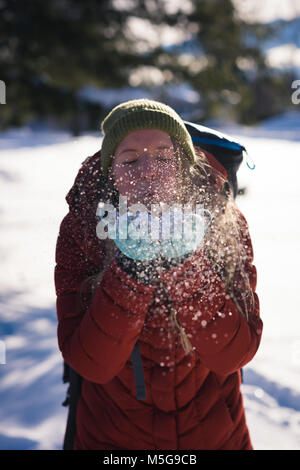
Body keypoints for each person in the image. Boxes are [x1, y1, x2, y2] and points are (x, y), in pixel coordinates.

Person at [54, 98, 263, 450]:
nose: (148, 171)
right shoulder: (86, 228)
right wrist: (130, 272)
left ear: (183, 165)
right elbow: (91, 363)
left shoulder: (223, 222)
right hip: (113, 439)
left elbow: (234, 355)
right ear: (111, 174)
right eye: (130, 159)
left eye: (164, 157)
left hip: (216, 437)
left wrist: (187, 265)